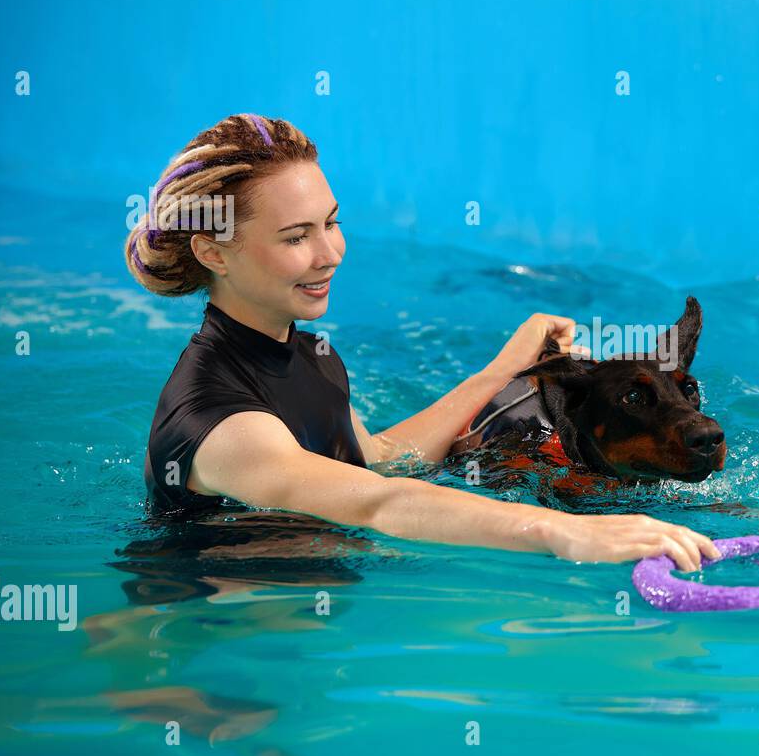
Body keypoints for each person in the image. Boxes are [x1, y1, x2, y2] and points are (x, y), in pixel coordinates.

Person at [125, 113, 718, 572]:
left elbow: (380, 459)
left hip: (308, 638)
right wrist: (564, 531)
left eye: (331, 223)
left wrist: (503, 370)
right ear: (213, 253)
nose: (330, 254)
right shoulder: (218, 420)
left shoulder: (310, 357)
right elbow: (378, 501)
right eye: (295, 237)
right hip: (217, 654)